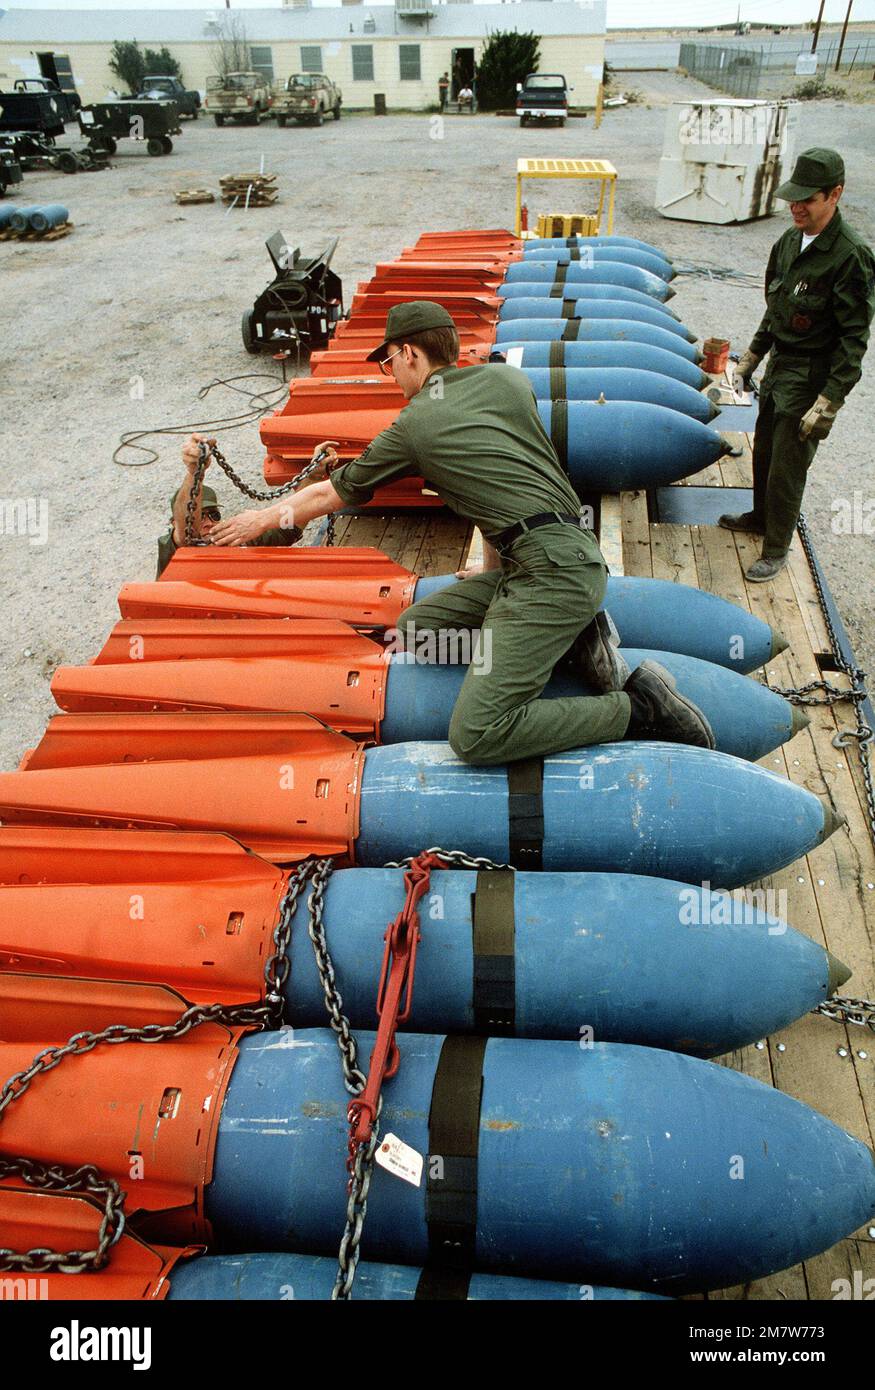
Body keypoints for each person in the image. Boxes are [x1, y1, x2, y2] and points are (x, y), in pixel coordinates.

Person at [208, 301, 714, 766]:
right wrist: (491, 571)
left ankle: (636, 708)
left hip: (551, 577)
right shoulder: (506, 382)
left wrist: (259, 519)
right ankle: (571, 638)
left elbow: (325, 496)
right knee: (415, 632)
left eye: (389, 363)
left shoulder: (417, 424)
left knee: (477, 735)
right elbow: (497, 484)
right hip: (557, 557)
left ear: (408, 353)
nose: (391, 376)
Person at [720, 148, 875, 582]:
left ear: (835, 195)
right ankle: (759, 517)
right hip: (780, 369)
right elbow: (777, 306)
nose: (796, 206)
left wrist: (829, 400)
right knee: (765, 450)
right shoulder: (789, 242)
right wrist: (752, 356)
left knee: (789, 466)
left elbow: (853, 340)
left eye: (808, 199)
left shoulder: (850, 256)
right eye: (794, 197)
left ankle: (776, 548)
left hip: (811, 377)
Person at [157, 432, 316, 577]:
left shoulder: (234, 540)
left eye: (214, 515)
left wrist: (314, 476)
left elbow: (288, 526)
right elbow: (186, 531)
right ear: (174, 524)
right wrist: (194, 474)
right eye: (201, 517)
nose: (208, 523)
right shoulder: (174, 552)